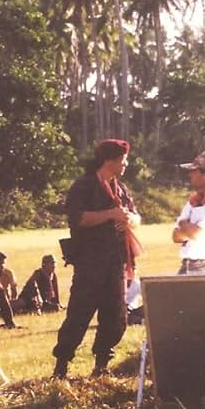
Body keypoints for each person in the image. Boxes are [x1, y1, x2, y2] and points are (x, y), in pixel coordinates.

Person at [52, 139, 141, 379]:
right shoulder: (83, 186)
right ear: (109, 160)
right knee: (79, 314)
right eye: (123, 159)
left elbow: (136, 216)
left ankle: (101, 365)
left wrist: (128, 219)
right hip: (90, 263)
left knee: (116, 316)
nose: (126, 164)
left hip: (115, 262)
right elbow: (78, 218)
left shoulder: (120, 188)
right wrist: (110, 214)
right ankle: (61, 366)